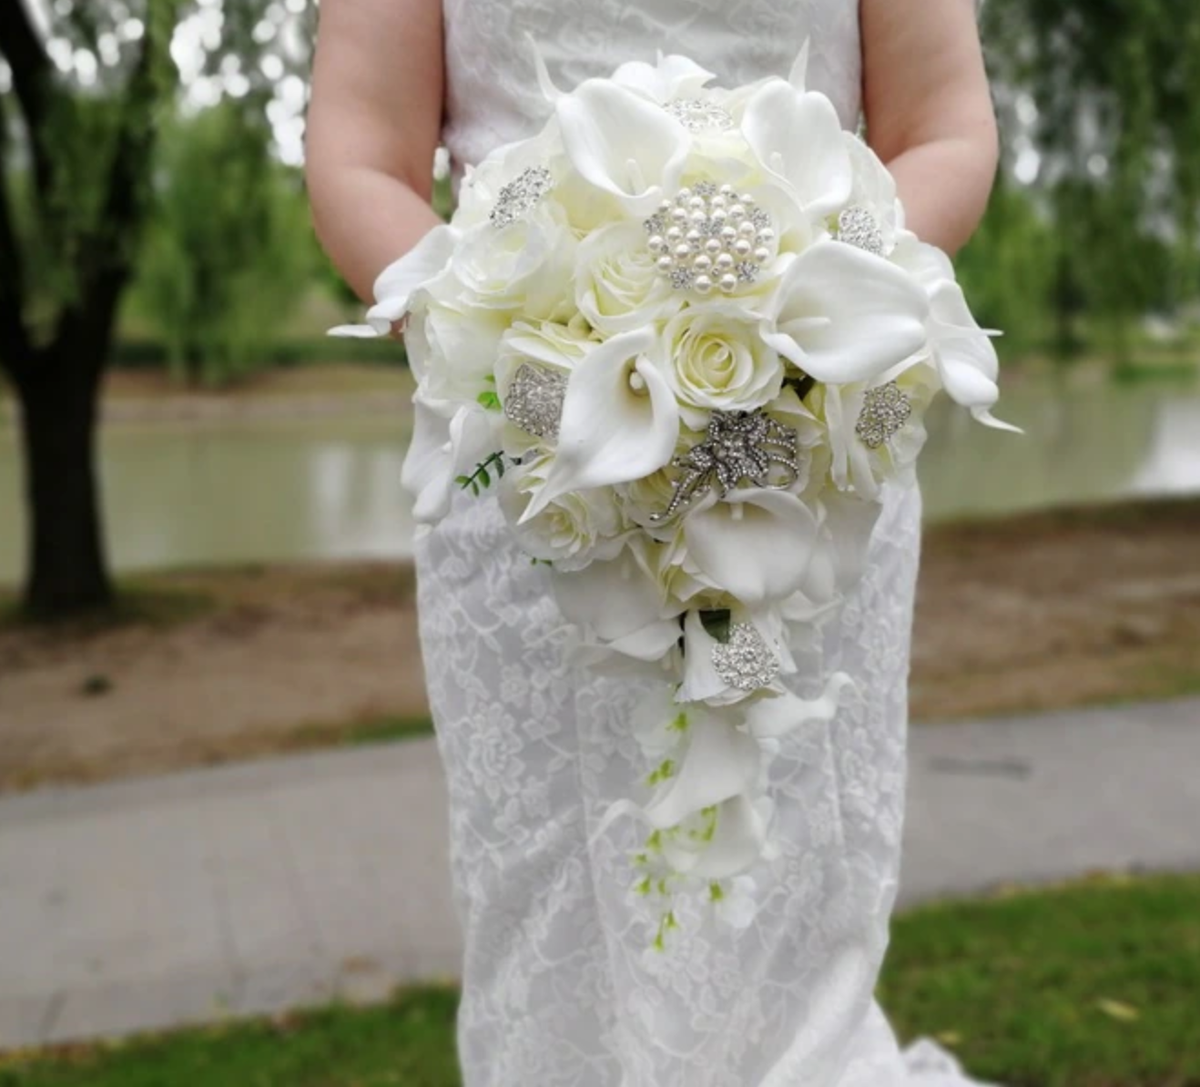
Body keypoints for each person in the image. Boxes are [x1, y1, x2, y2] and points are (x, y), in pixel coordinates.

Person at [306, 2, 1000, 1084]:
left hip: (803, 450)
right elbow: (359, 157)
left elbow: (947, 128)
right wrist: (532, 325)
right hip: (529, 467)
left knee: (794, 878)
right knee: (552, 893)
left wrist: (786, 302)